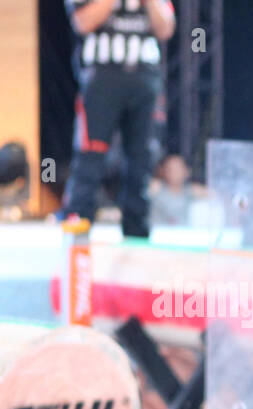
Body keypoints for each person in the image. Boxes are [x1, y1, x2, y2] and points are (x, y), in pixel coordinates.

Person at [60, 0, 174, 238]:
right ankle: (79, 224)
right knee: (91, 152)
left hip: (144, 76)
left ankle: (137, 228)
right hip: (103, 76)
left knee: (142, 156)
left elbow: (166, 28)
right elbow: (82, 22)